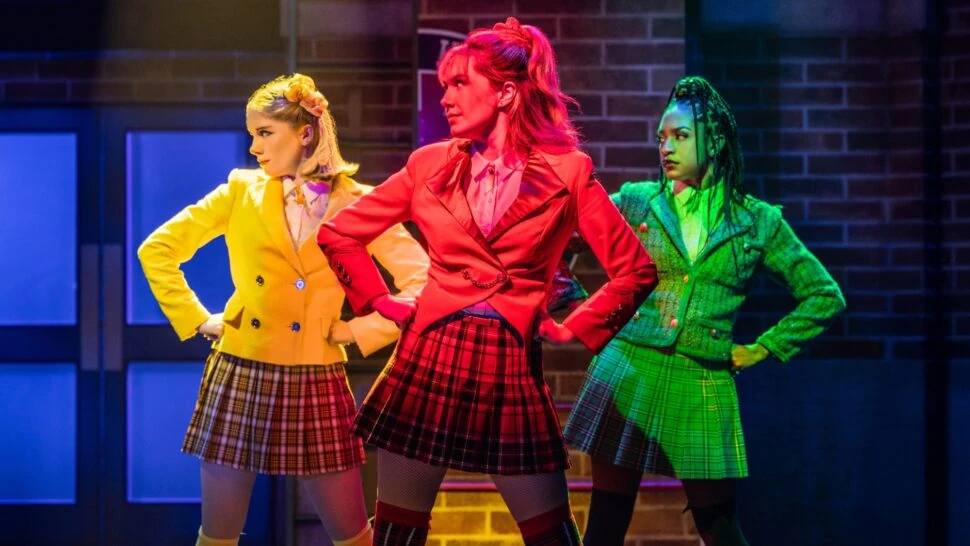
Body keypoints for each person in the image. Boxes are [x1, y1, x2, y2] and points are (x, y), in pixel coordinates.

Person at [315, 17, 657, 546]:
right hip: (429, 355)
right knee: (396, 534)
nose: (445, 97)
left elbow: (636, 269)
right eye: (444, 84)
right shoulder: (429, 165)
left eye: (459, 83)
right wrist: (381, 301)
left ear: (505, 93)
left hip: (508, 361)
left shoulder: (568, 171)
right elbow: (339, 234)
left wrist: (573, 329)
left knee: (552, 535)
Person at [137, 73, 429, 546]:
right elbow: (157, 249)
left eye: (264, 133)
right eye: (252, 134)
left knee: (354, 537)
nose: (254, 147)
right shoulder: (239, 191)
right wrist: (197, 318)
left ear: (305, 133)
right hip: (242, 365)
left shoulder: (358, 203)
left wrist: (361, 330)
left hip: (317, 372)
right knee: (217, 537)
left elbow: (424, 282)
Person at [562, 76, 847, 546]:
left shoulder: (757, 221)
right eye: (661, 137)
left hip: (702, 380)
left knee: (720, 526)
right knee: (606, 523)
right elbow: (560, 239)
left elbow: (824, 295)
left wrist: (763, 348)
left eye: (680, 136)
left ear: (714, 142)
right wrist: (578, 307)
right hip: (628, 370)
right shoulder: (638, 201)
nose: (666, 147)